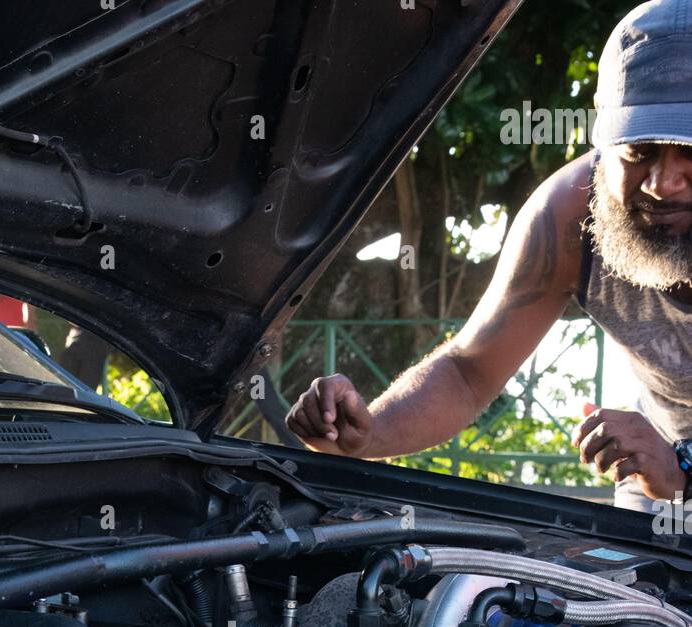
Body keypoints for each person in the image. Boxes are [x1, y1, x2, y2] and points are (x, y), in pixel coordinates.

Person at [286, 0, 692, 513]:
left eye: (690, 151)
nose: (663, 184)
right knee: (632, 589)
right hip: (661, 472)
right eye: (639, 152)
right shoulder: (569, 217)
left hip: (674, 471)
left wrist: (685, 473)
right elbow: (467, 373)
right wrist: (369, 434)